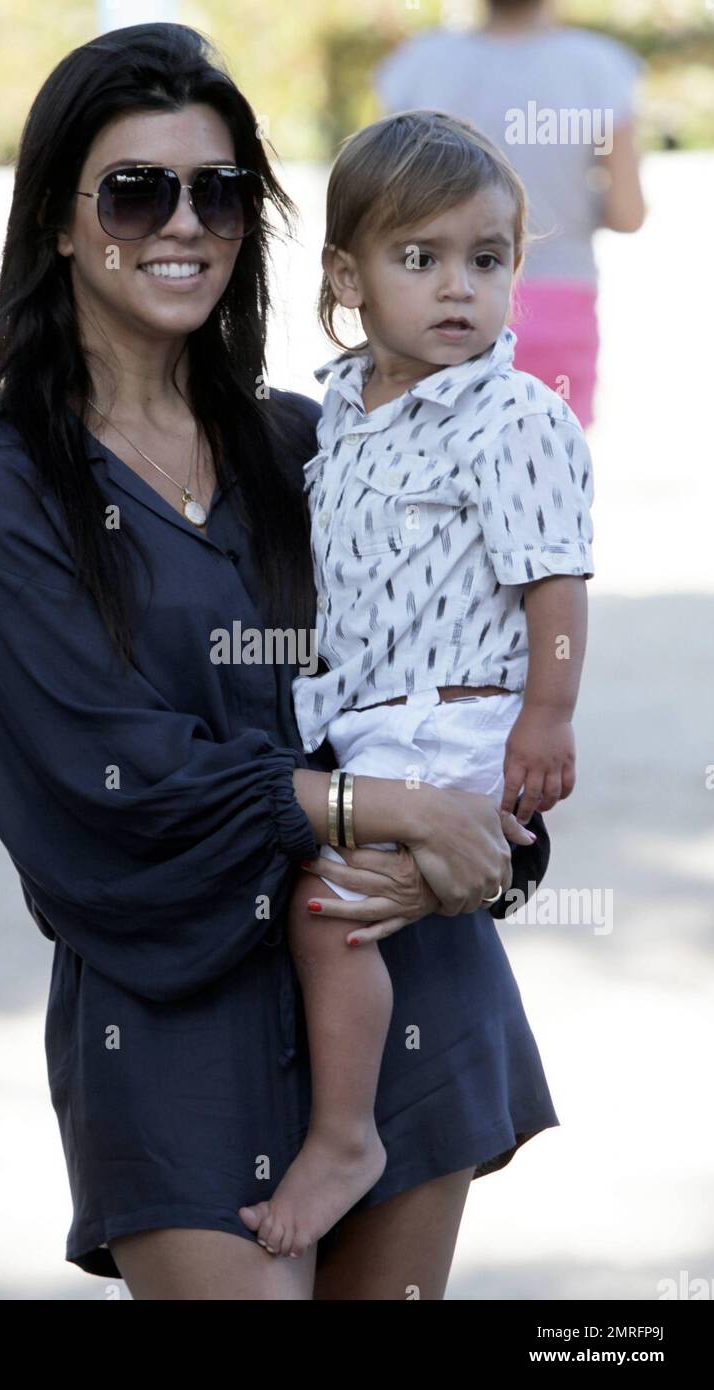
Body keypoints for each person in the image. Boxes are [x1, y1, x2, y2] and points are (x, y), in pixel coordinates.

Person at [0, 23, 554, 1301]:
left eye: (218, 190)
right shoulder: (3, 484)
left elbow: (459, 662)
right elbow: (97, 766)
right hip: (167, 1007)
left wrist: (485, 843)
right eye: (137, 189)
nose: (185, 222)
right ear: (59, 220)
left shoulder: (311, 444)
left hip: (394, 978)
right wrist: (372, 803)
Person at [238, 109, 593, 1260]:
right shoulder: (341, 411)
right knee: (354, 893)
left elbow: (553, 582)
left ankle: (345, 1135)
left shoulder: (511, 414)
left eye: (485, 261)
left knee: (327, 907)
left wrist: (546, 717)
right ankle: (437, 889)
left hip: (453, 721)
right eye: (419, 258)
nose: (458, 289)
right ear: (346, 275)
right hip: (374, 724)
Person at [374, 0, 646, 428]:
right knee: (550, 472)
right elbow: (628, 212)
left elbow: (388, 199)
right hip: (559, 301)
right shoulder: (600, 67)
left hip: (438, 304)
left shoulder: (419, 64)